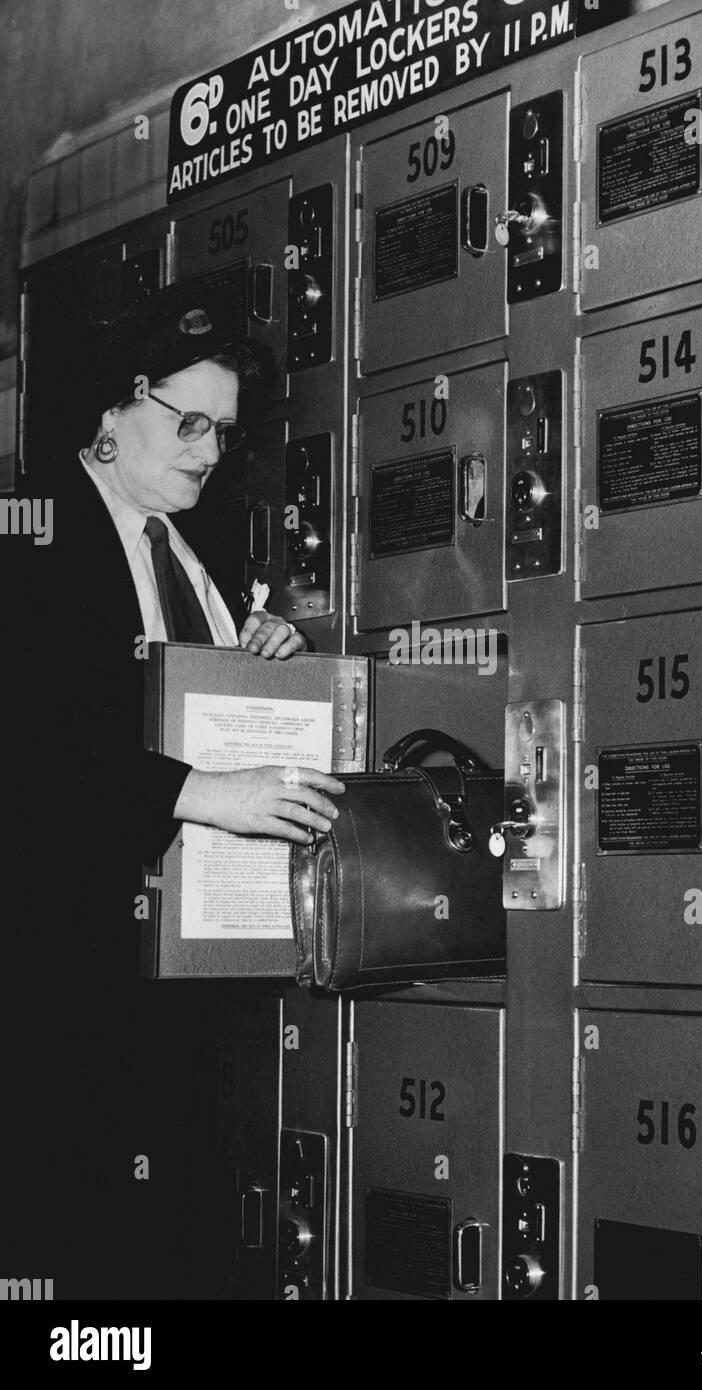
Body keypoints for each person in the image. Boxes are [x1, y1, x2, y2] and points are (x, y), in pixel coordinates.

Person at [2, 279, 344, 1298]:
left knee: (161, 1247)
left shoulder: (186, 556)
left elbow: (172, 704)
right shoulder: (31, 532)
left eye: (222, 433)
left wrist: (263, 656)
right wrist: (200, 793)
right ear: (114, 407)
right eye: (187, 421)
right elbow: (28, 741)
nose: (205, 448)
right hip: (54, 987)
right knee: (72, 1248)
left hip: (165, 987)